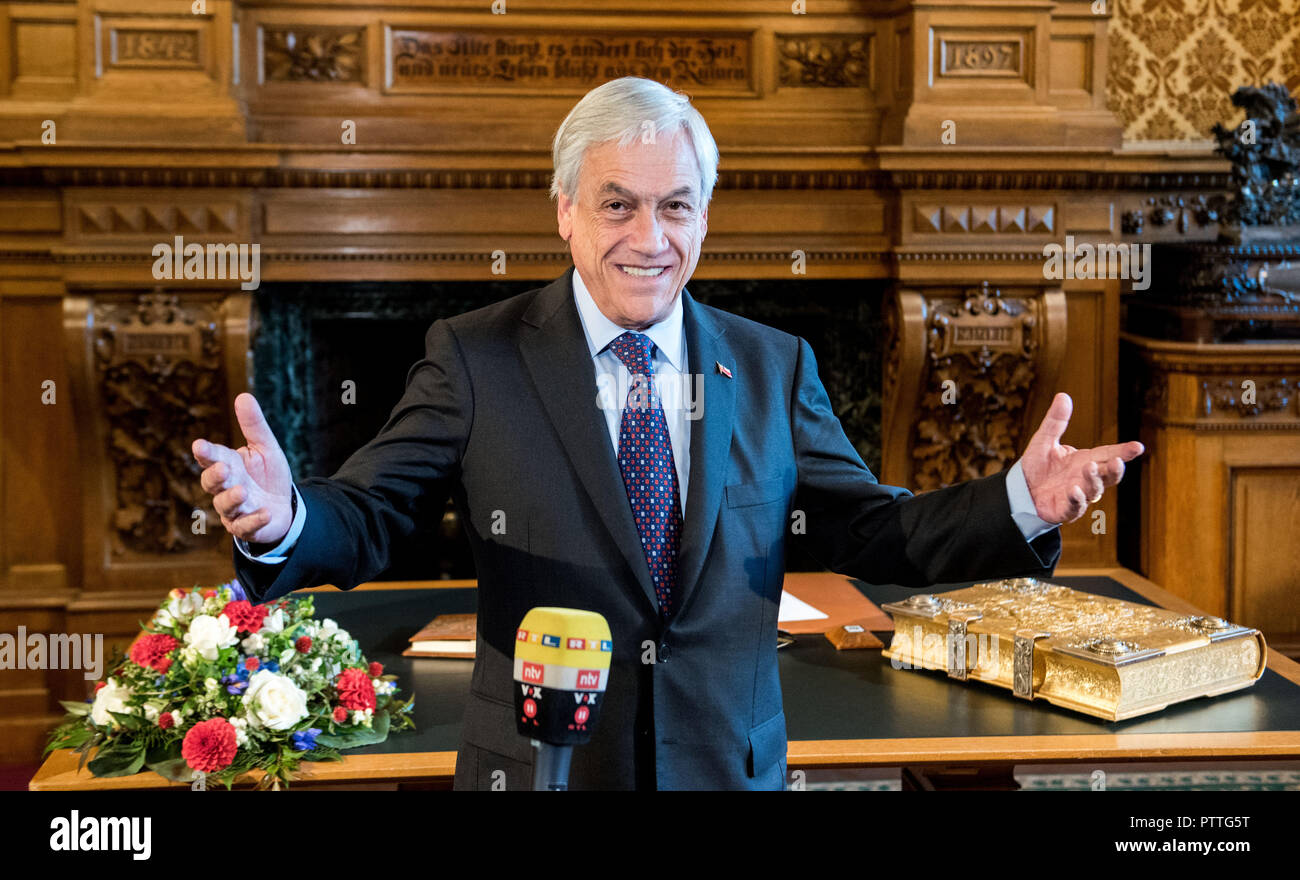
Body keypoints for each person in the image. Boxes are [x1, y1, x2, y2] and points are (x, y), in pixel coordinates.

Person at [191, 76, 1143, 790]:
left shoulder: (772, 365)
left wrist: (1019, 503)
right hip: (540, 768)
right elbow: (371, 517)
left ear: (703, 216)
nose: (649, 236)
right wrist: (282, 519)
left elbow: (873, 532)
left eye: (675, 205)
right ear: (565, 212)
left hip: (728, 767)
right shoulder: (475, 356)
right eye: (618, 204)